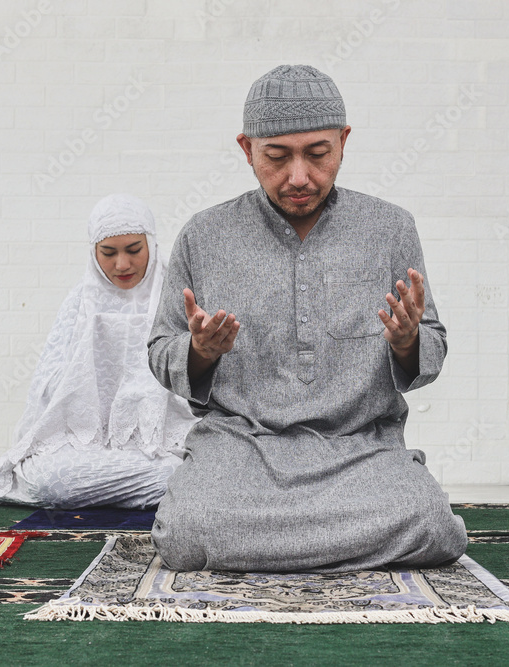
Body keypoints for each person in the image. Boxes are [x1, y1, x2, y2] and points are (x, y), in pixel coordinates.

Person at [147, 65, 468, 572]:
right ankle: (344, 545)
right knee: (186, 533)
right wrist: (199, 352)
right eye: (277, 156)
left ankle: (266, 548)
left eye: (317, 155)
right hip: (241, 447)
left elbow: (432, 347)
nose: (299, 177)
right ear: (247, 149)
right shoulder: (203, 236)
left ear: (343, 142)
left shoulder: (389, 229)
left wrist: (407, 340)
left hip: (360, 448)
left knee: (432, 523)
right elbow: (161, 349)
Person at [0, 194, 198, 509]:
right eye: (108, 253)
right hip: (85, 449)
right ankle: (153, 494)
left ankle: (136, 491)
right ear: (94, 253)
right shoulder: (79, 302)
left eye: (134, 250)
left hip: (161, 448)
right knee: (47, 479)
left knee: (189, 469)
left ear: (152, 244)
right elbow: (47, 390)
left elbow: (198, 385)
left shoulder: (177, 297)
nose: (122, 264)